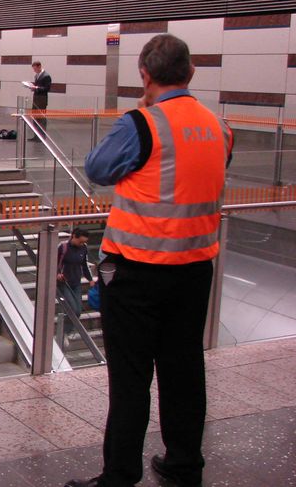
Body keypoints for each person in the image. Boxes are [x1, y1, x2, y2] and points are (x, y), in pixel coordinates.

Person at [65, 34, 233, 487]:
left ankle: (120, 476)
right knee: (184, 368)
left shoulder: (142, 124)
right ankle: (184, 465)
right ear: (191, 72)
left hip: (136, 272)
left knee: (131, 378)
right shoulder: (220, 127)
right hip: (194, 270)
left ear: (144, 74)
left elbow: (98, 169)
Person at [57, 228, 95, 341]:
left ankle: (66, 331)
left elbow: (84, 264)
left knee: (78, 310)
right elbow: (54, 262)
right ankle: (63, 332)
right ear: (73, 236)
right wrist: (57, 274)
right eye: (80, 241)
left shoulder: (83, 248)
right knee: (72, 308)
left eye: (84, 242)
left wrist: (90, 279)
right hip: (64, 282)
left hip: (76, 282)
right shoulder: (63, 247)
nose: (81, 244)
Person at [28, 61, 51, 140]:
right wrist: (33, 87)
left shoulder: (46, 76)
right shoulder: (37, 76)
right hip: (36, 99)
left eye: (35, 69)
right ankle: (36, 135)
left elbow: (47, 88)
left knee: (41, 118)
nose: (34, 71)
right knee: (35, 117)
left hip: (42, 100)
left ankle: (41, 136)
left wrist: (37, 88)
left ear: (39, 66)